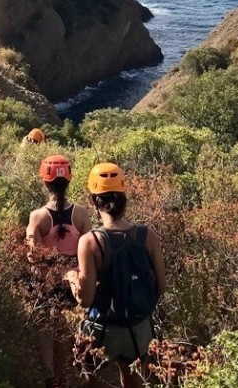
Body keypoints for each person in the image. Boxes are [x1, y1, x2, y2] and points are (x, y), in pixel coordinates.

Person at [65, 163, 167, 388]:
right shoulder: (148, 236)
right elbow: (162, 287)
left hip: (103, 329)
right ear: (123, 197)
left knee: (88, 377)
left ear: (94, 200)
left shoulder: (91, 242)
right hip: (139, 329)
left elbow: (86, 299)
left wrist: (71, 276)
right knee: (133, 381)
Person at [26, 155, 92, 388]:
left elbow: (33, 255)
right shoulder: (82, 214)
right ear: (69, 181)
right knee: (64, 327)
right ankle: (62, 376)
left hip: (44, 280)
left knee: (44, 328)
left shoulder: (38, 216)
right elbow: (89, 250)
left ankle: (48, 377)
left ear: (45, 182)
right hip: (71, 280)